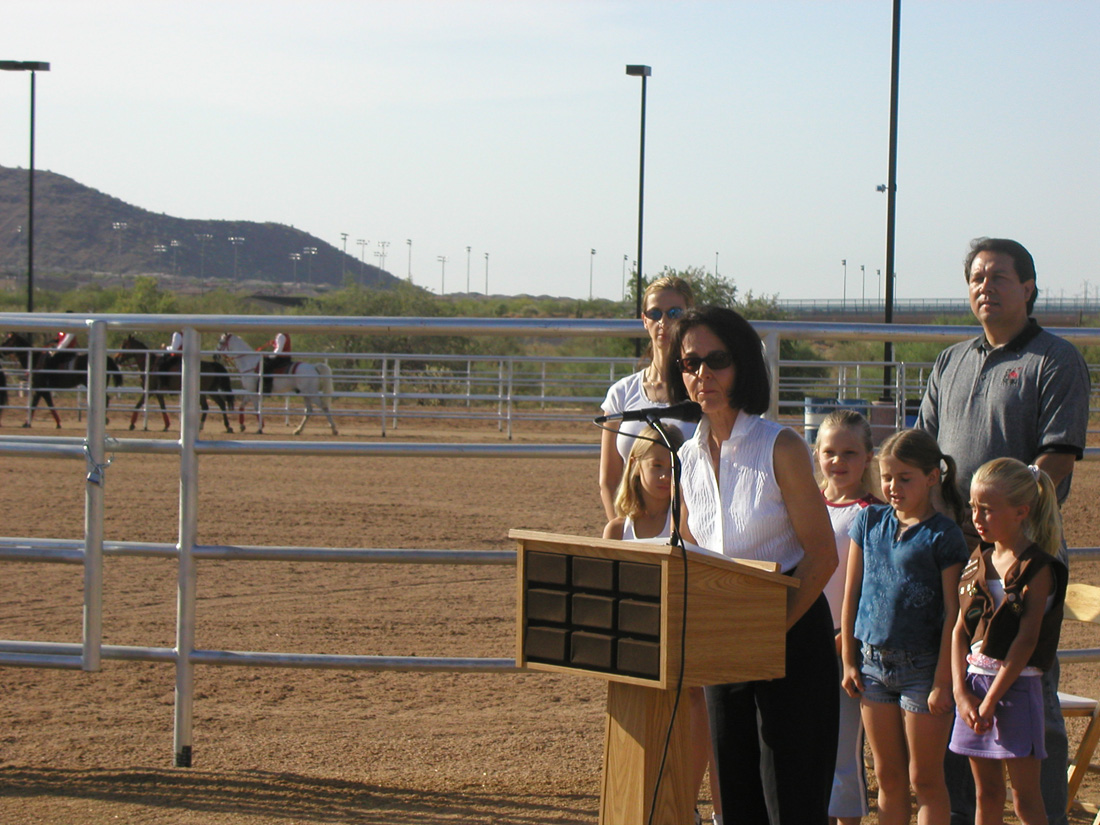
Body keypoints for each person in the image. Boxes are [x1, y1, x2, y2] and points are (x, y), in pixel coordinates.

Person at [917, 237, 1090, 825]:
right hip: (957, 553)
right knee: (956, 677)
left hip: (1021, 558)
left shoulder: (1054, 360)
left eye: (998, 276)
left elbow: (1056, 461)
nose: (985, 287)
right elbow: (928, 455)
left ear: (1029, 287)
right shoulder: (950, 362)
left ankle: (1046, 815)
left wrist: (1004, 536)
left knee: (1027, 688)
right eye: (976, 278)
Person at [670, 305, 839, 824]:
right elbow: (690, 549)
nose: (702, 375)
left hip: (790, 639)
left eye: (716, 360)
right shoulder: (688, 455)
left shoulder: (779, 445)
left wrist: (764, 630)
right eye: (690, 362)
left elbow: (823, 556)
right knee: (738, 804)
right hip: (727, 646)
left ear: (742, 363)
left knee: (791, 804)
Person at [841, 428, 970, 825]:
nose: (893, 486)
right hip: (872, 665)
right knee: (887, 776)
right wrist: (849, 658)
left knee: (925, 778)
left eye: (904, 478)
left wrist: (943, 679)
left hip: (922, 667)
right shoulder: (869, 521)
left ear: (932, 477)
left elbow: (954, 613)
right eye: (886, 477)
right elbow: (853, 595)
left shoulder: (944, 535)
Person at [601, 426, 722, 825]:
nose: (669, 475)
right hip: (638, 643)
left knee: (695, 705)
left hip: (682, 635)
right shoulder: (619, 529)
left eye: (677, 466)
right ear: (634, 465)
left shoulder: (687, 521)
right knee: (637, 717)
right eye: (658, 466)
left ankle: (685, 801)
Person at [950, 458, 1068, 825]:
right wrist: (961, 692)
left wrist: (991, 700)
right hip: (975, 687)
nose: (976, 518)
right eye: (972, 508)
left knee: (1025, 799)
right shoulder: (978, 560)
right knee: (985, 794)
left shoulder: (1038, 568)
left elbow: (1027, 639)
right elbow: (959, 631)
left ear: (1021, 512)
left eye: (986, 509)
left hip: (1016, 688)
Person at [815, 409, 880, 825]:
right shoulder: (804, 505)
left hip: (845, 645)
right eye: (829, 452)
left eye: (849, 453)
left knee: (842, 746)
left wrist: (850, 637)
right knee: (805, 741)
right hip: (803, 638)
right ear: (816, 453)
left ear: (868, 457)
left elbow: (873, 584)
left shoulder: (872, 514)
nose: (838, 461)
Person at [599, 275, 695, 521]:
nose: (663, 321)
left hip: (690, 533)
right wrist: (620, 533)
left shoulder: (701, 389)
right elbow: (609, 481)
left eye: (674, 313)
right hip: (635, 532)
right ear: (644, 320)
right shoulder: (621, 393)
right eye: (655, 313)